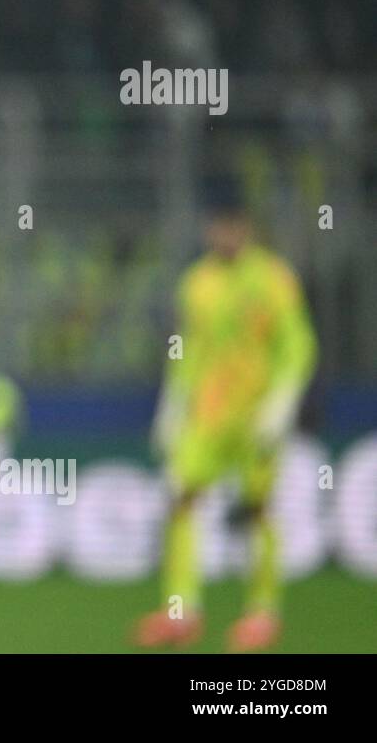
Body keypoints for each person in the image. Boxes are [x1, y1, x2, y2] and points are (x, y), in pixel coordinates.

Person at [134, 183, 316, 651]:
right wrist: (172, 402)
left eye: (231, 226)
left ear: (247, 228)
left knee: (257, 510)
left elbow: (297, 344)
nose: (223, 235)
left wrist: (283, 400)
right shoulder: (197, 282)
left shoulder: (273, 278)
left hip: (257, 416)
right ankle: (182, 610)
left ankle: (262, 613)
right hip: (208, 416)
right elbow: (187, 349)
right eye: (216, 226)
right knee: (180, 497)